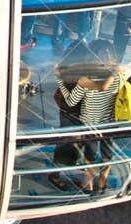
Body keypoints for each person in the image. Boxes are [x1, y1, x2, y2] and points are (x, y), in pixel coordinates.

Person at [51, 42, 122, 195]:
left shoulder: (85, 80)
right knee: (107, 153)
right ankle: (102, 182)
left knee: (89, 154)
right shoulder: (116, 76)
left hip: (90, 124)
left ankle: (87, 183)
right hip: (109, 124)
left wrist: (58, 79)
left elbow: (70, 101)